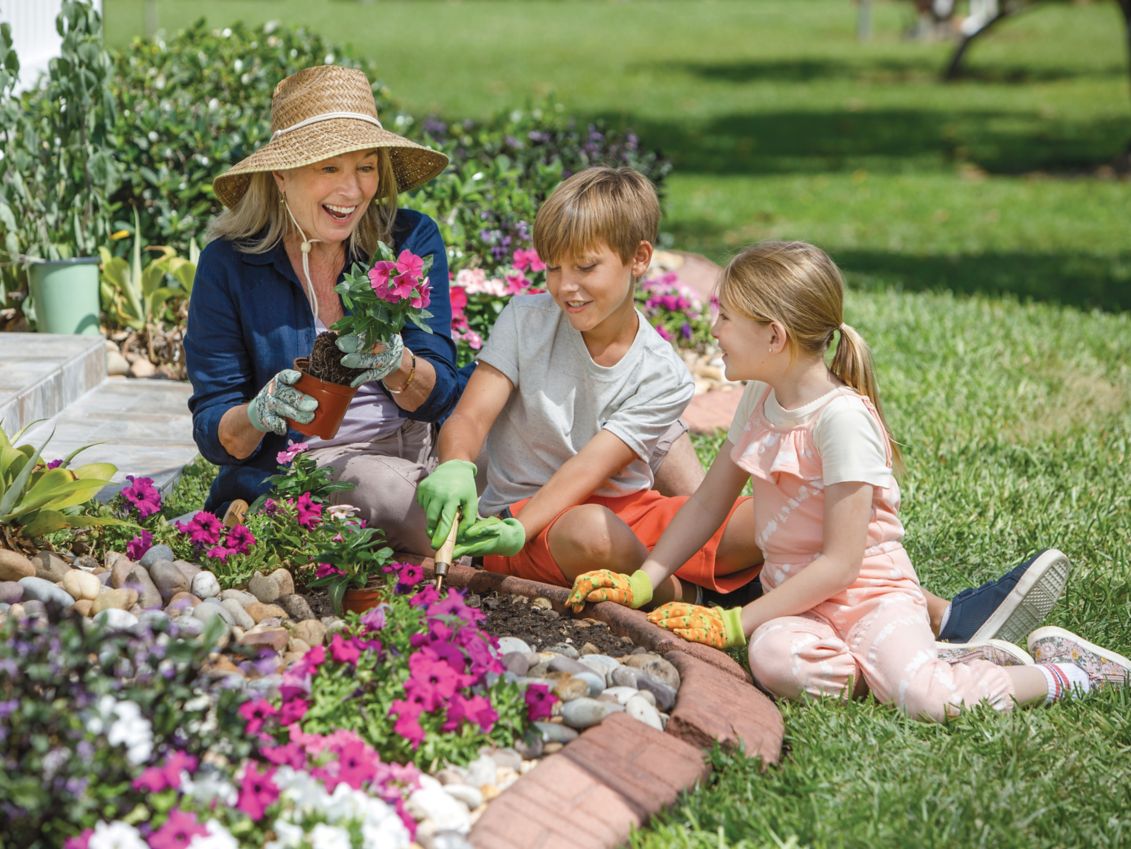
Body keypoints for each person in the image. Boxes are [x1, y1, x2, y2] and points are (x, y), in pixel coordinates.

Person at [568, 241, 1129, 720]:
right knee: (775, 663)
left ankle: (1065, 673)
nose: (713, 329)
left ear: (774, 336)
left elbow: (841, 565)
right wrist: (646, 578)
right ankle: (928, 663)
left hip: (870, 600)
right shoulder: (761, 399)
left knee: (933, 705)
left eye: (725, 318)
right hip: (797, 603)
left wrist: (735, 623)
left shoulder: (841, 420)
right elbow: (707, 503)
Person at [416, 166, 764, 605]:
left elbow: (590, 468)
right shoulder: (526, 319)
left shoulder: (663, 373)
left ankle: (671, 577)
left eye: (585, 266)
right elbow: (471, 415)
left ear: (639, 258)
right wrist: (456, 464)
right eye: (554, 268)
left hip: (631, 512)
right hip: (528, 523)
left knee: (769, 520)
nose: (566, 287)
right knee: (594, 535)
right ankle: (686, 594)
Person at [185, 64, 455, 553]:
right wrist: (259, 412)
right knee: (396, 495)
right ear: (282, 175)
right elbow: (215, 431)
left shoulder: (409, 240)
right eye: (330, 167)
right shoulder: (230, 265)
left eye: (366, 167)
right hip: (303, 469)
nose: (352, 192)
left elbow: (442, 390)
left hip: (415, 445)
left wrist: (398, 366)